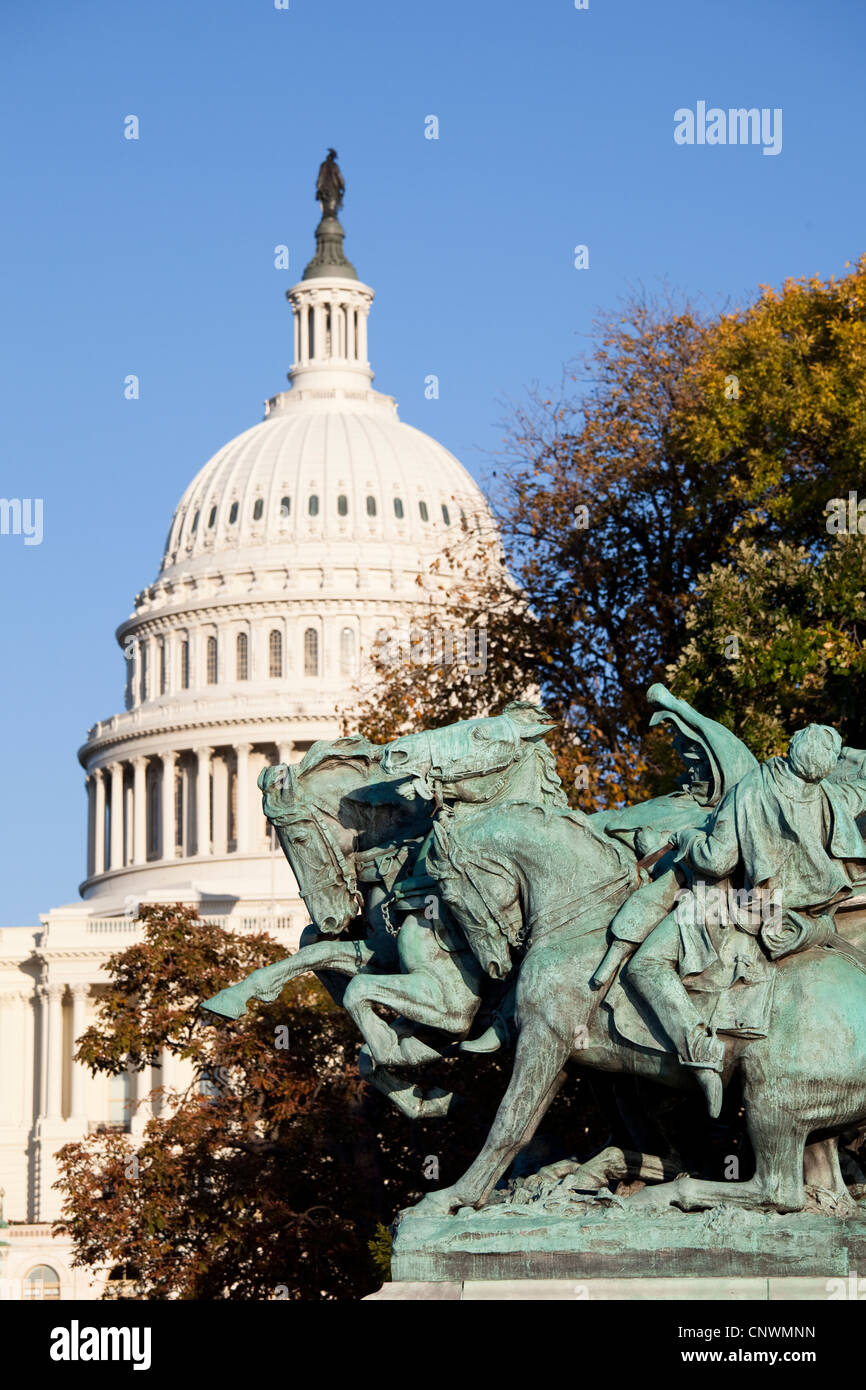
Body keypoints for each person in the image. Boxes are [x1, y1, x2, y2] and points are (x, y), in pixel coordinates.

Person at [622, 724, 866, 1117]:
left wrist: (683, 839)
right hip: (798, 920)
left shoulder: (756, 786)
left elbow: (717, 860)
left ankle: (701, 1051)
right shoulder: (831, 798)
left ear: (791, 747)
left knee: (646, 965)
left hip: (738, 907)